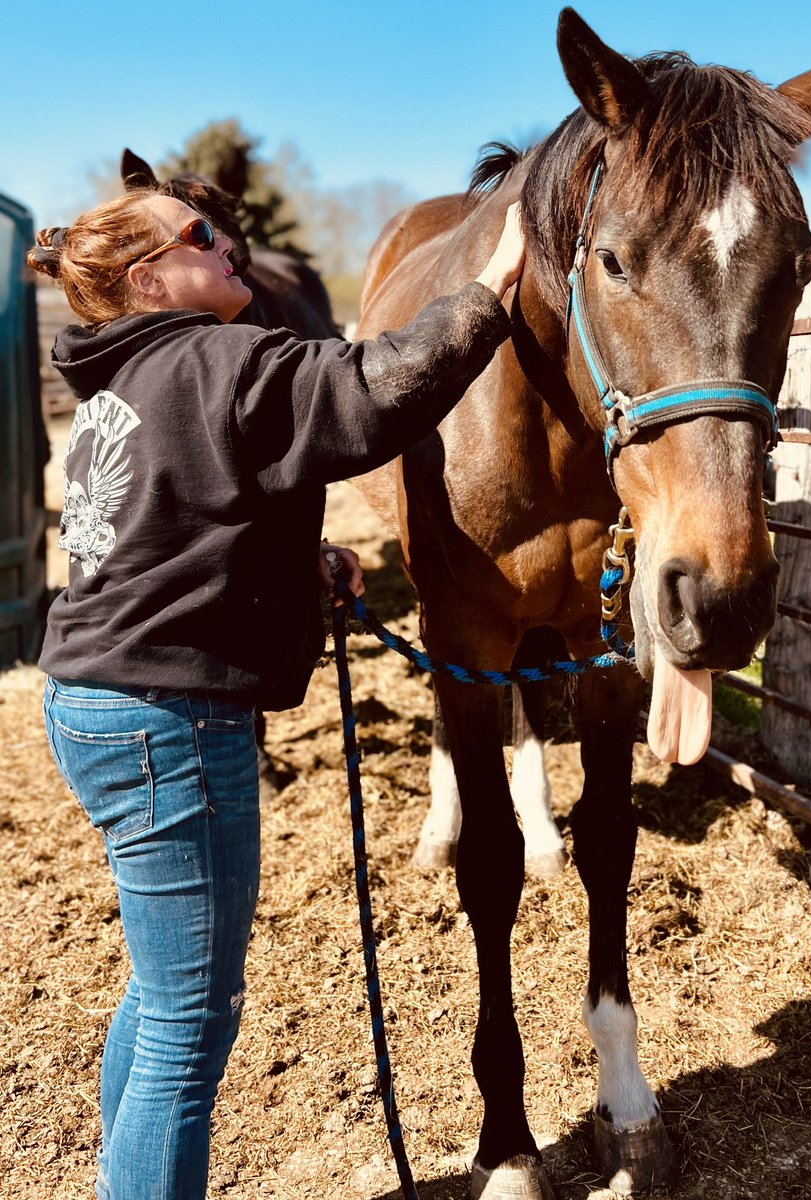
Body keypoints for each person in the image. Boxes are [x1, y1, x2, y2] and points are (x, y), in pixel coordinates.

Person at [29, 188, 525, 1200]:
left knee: (161, 992)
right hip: (170, 721)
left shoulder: (128, 378)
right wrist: (489, 286)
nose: (227, 243)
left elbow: (173, 515)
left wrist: (301, 563)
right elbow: (375, 387)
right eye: (201, 236)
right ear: (147, 278)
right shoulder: (223, 357)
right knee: (189, 1023)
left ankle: (121, 1176)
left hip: (90, 700)